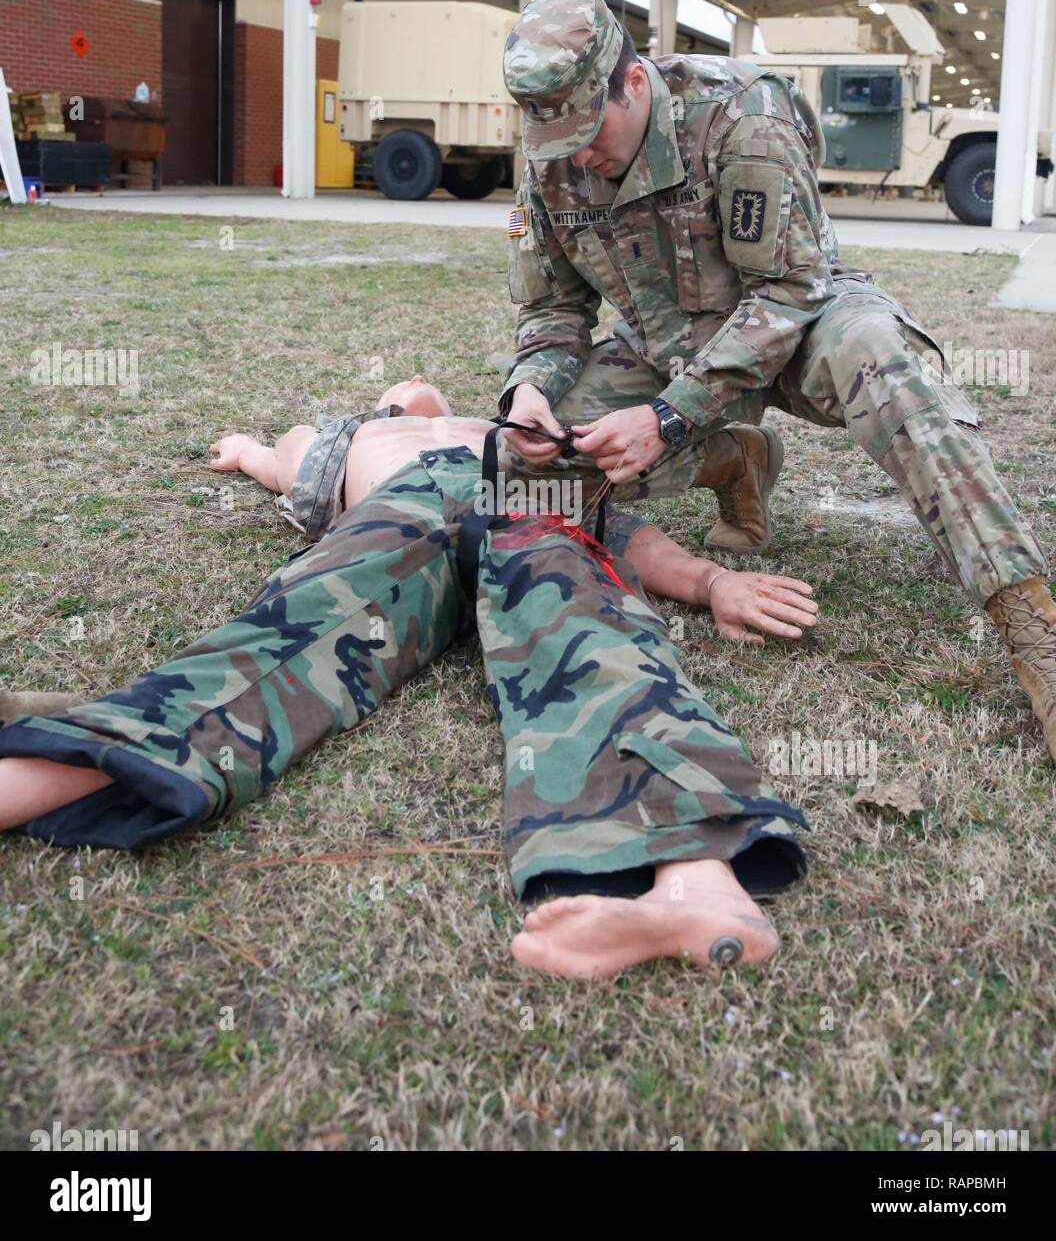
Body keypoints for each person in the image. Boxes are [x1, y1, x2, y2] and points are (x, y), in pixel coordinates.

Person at [0, 377, 819, 980]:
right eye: (402, 389)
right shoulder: (343, 437)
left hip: (523, 499)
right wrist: (247, 450)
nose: (416, 389)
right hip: (400, 512)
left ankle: (699, 886)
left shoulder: (504, 422)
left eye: (424, 386)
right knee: (300, 631)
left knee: (596, 632)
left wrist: (714, 584)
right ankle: (39, 774)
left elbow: (621, 532)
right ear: (385, 400)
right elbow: (275, 463)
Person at [498, 0, 1055, 761]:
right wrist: (532, 390)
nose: (579, 157)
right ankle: (735, 461)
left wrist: (667, 418)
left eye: (591, 131)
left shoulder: (739, 113)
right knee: (533, 475)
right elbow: (554, 313)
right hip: (667, 345)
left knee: (886, 364)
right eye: (558, 142)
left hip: (797, 321)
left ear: (634, 82)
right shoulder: (549, 161)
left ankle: (1029, 623)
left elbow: (791, 288)